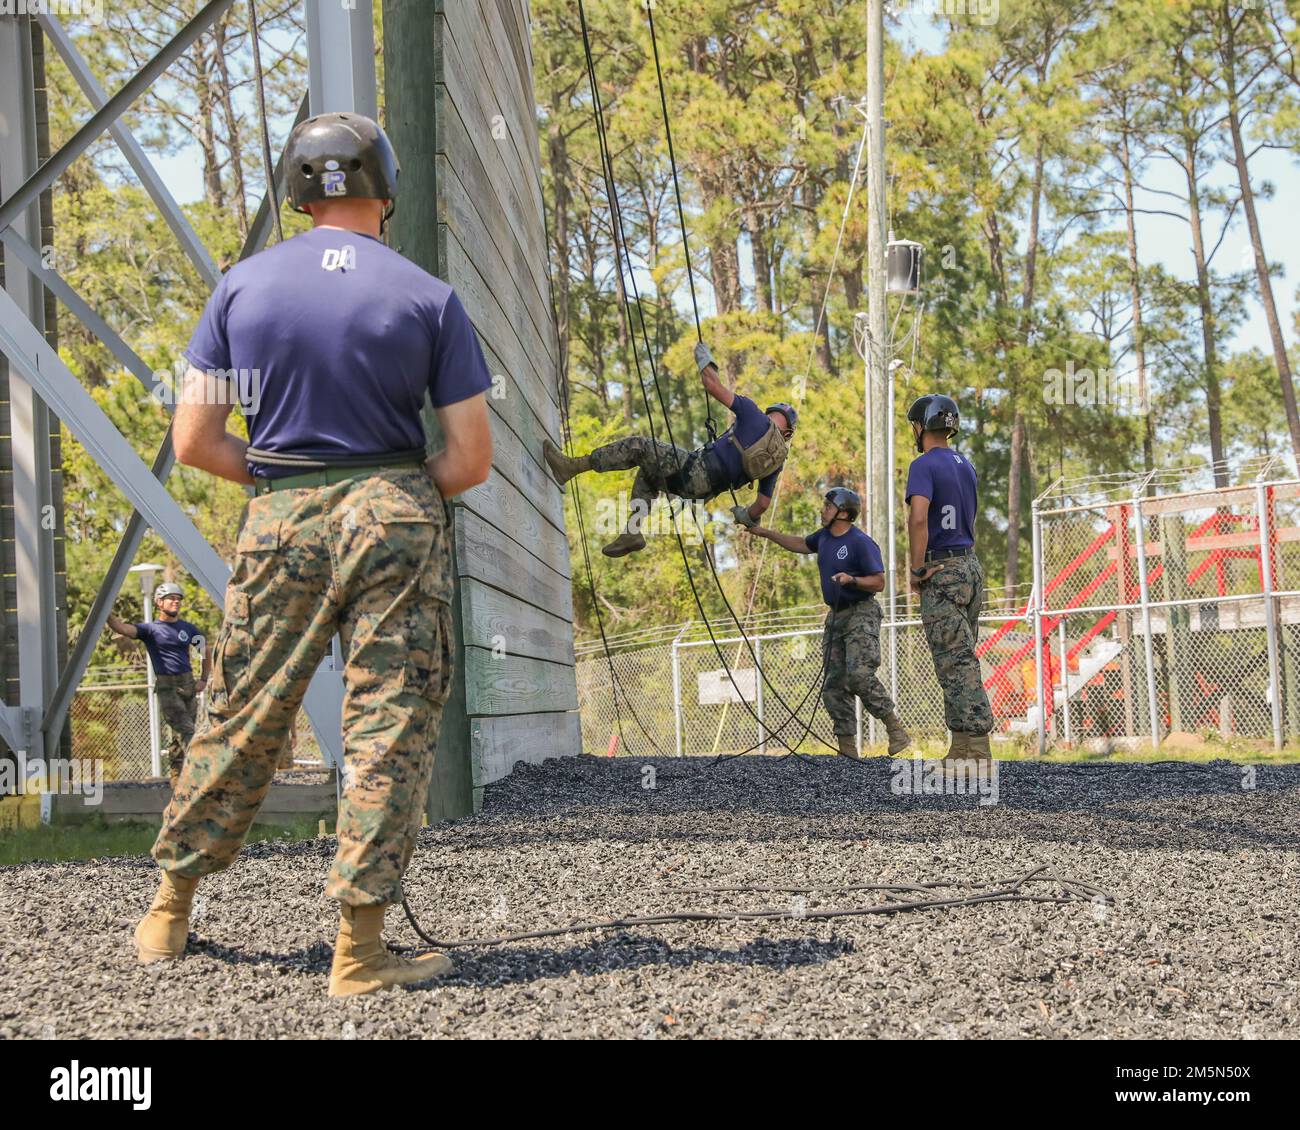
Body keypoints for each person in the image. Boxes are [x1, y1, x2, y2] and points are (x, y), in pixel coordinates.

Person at [132, 111, 494, 998]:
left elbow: (192, 439)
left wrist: (287, 485)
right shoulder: (428, 297)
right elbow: (469, 459)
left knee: (242, 707)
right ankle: (358, 953)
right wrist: (390, 494)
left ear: (298, 191)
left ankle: (169, 912)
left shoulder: (240, 291)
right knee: (388, 724)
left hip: (280, 512)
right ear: (385, 190)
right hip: (393, 516)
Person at [542, 342, 797, 557]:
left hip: (696, 470)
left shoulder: (754, 415)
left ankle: (572, 467)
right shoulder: (776, 461)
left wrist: (705, 359)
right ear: (787, 433)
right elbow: (762, 504)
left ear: (770, 414)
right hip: (700, 493)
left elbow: (712, 385)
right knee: (650, 473)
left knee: (639, 446)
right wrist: (745, 516)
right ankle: (632, 532)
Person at [746, 487, 911, 759]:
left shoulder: (860, 542)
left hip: (861, 611)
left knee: (859, 675)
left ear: (843, 513)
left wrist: (853, 580)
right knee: (834, 684)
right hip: (835, 616)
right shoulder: (823, 538)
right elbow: (800, 544)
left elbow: (879, 582)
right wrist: (765, 533)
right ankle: (848, 752)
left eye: (827, 506)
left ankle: (895, 729)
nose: (822, 510)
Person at [904, 394, 994, 760]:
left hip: (942, 570)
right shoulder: (966, 465)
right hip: (970, 566)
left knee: (956, 662)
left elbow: (919, 518)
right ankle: (960, 748)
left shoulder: (922, 465)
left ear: (922, 425)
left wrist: (916, 567)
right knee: (955, 656)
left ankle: (978, 749)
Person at [107, 582, 210, 788]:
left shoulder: (188, 629)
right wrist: (105, 611)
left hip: (188, 684)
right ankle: (200, 776)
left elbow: (205, 652)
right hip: (167, 687)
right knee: (187, 731)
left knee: (179, 735)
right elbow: (122, 628)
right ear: (159, 602)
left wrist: (203, 679)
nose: (175, 602)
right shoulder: (150, 630)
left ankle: (177, 776)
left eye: (178, 599)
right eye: (171, 598)